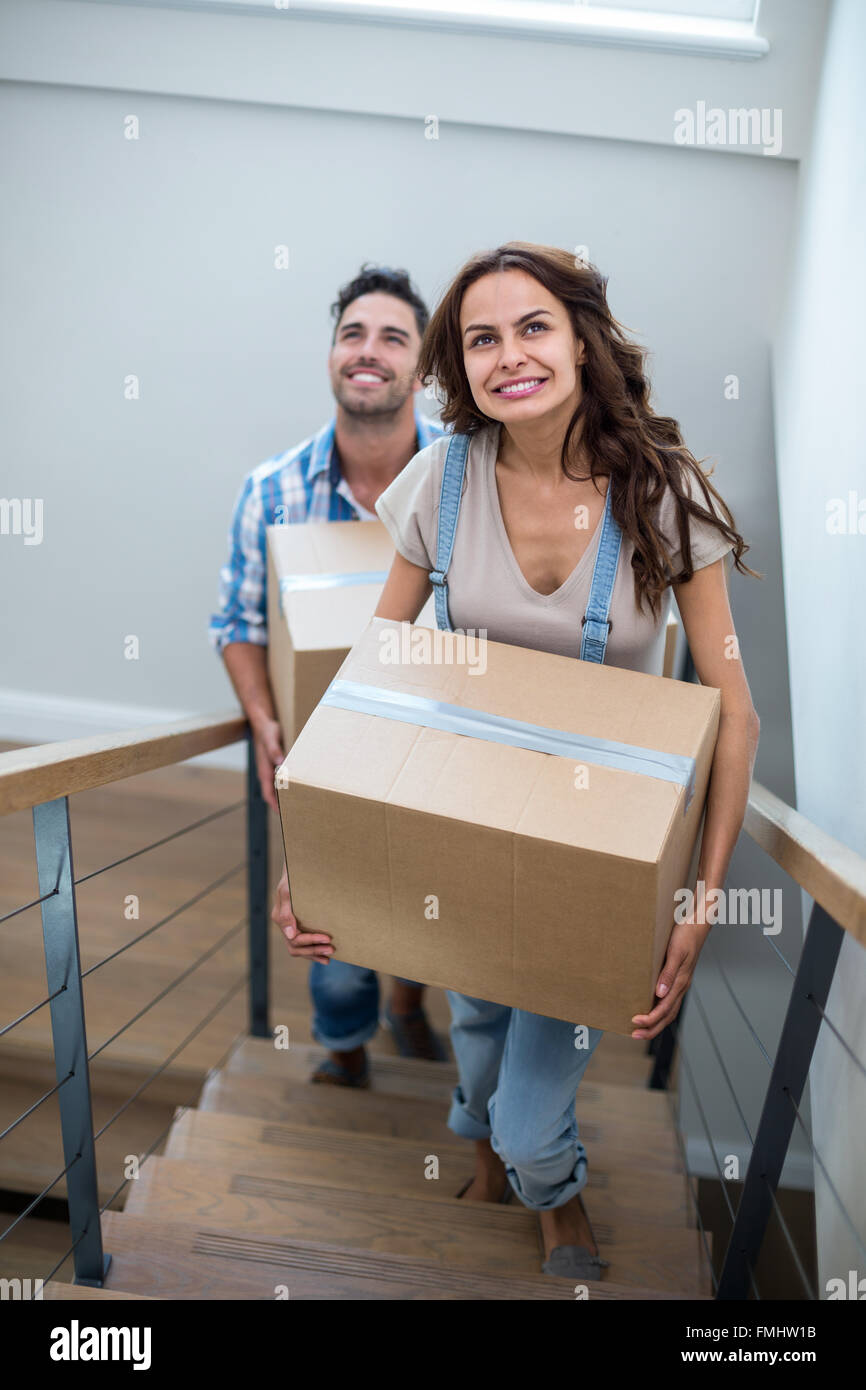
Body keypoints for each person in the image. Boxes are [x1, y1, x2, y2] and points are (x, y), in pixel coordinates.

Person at [271, 241, 760, 1276]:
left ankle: (549, 1185)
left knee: (537, 1109)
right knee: (479, 1023)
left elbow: (733, 715)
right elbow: (370, 678)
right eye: (480, 340)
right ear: (461, 367)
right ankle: (479, 1145)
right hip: (462, 822)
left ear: (580, 339)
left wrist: (699, 899)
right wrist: (298, 857)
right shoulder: (440, 478)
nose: (508, 357)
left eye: (531, 327)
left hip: (591, 853)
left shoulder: (664, 493)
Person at [210, 264, 448, 1083]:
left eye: (393, 336)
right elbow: (236, 625)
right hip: (321, 756)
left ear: (422, 367)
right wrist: (262, 720)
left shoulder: (470, 482)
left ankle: (409, 1007)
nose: (368, 350)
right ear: (332, 355)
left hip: (437, 746)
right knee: (335, 938)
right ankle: (346, 1049)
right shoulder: (270, 491)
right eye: (353, 333)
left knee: (427, 903)